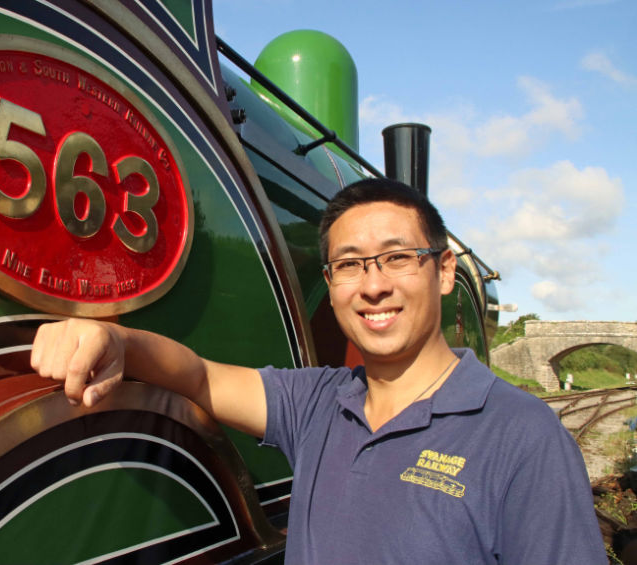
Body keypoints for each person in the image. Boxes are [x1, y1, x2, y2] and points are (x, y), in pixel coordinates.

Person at [31, 177, 607, 564]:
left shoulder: (523, 435)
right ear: (330, 284)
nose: (374, 284)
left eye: (398, 257)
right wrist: (115, 339)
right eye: (351, 265)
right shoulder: (318, 402)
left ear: (445, 270)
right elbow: (200, 377)